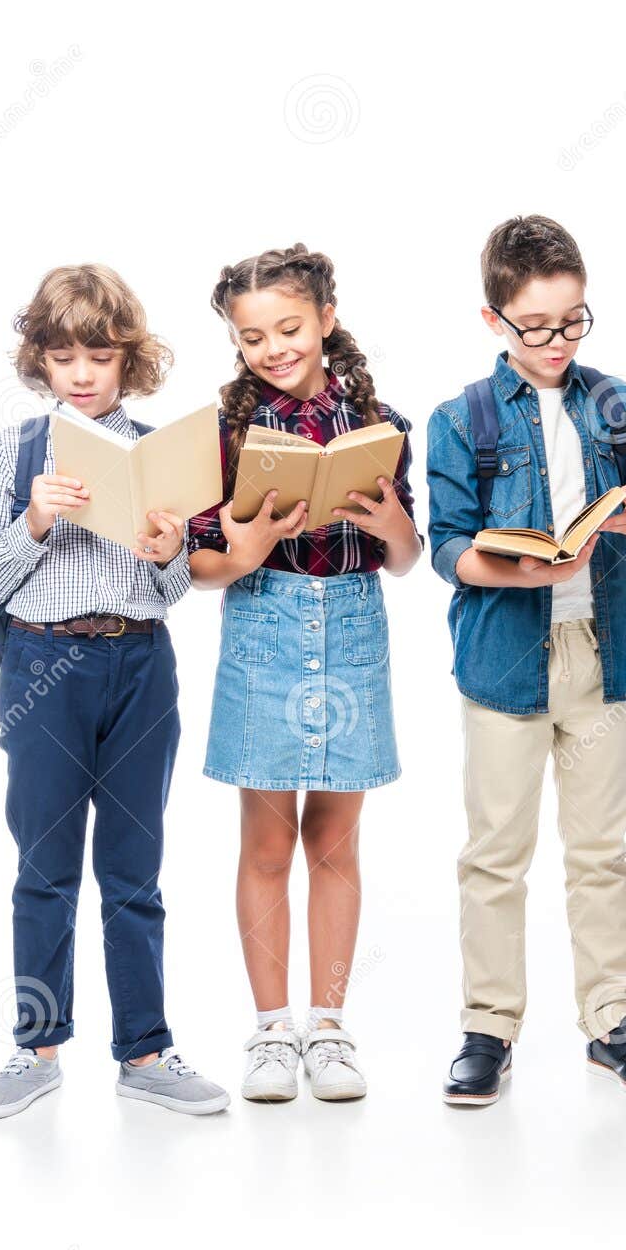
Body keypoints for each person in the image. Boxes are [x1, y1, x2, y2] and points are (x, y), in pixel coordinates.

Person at [0, 264, 229, 1118]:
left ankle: (146, 1051)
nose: (82, 373)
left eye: (100, 357)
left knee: (134, 869)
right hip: (43, 667)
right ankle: (35, 1048)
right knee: (44, 866)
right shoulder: (13, 453)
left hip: (141, 664)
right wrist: (35, 521)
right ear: (39, 359)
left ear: (127, 361)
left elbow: (167, 592)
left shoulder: (162, 452)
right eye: (64, 354)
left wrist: (164, 555)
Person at [427, 214, 626, 1105]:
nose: (558, 341)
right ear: (495, 320)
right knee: (496, 853)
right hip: (505, 659)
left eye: (574, 320)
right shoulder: (463, 418)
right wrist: (528, 567)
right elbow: (447, 548)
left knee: (601, 849)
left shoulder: (618, 402)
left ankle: (612, 1021)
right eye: (537, 326)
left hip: (604, 654)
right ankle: (487, 1028)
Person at [189, 243, 421, 1104]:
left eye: (290, 327)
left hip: (354, 622)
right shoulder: (224, 433)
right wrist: (246, 546)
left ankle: (329, 1027)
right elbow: (203, 563)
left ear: (326, 317)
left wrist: (395, 523)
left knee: (335, 840)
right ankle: (271, 1031)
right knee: (264, 841)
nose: (275, 348)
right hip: (265, 624)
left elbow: (403, 561)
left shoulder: (384, 421)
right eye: (254, 337)